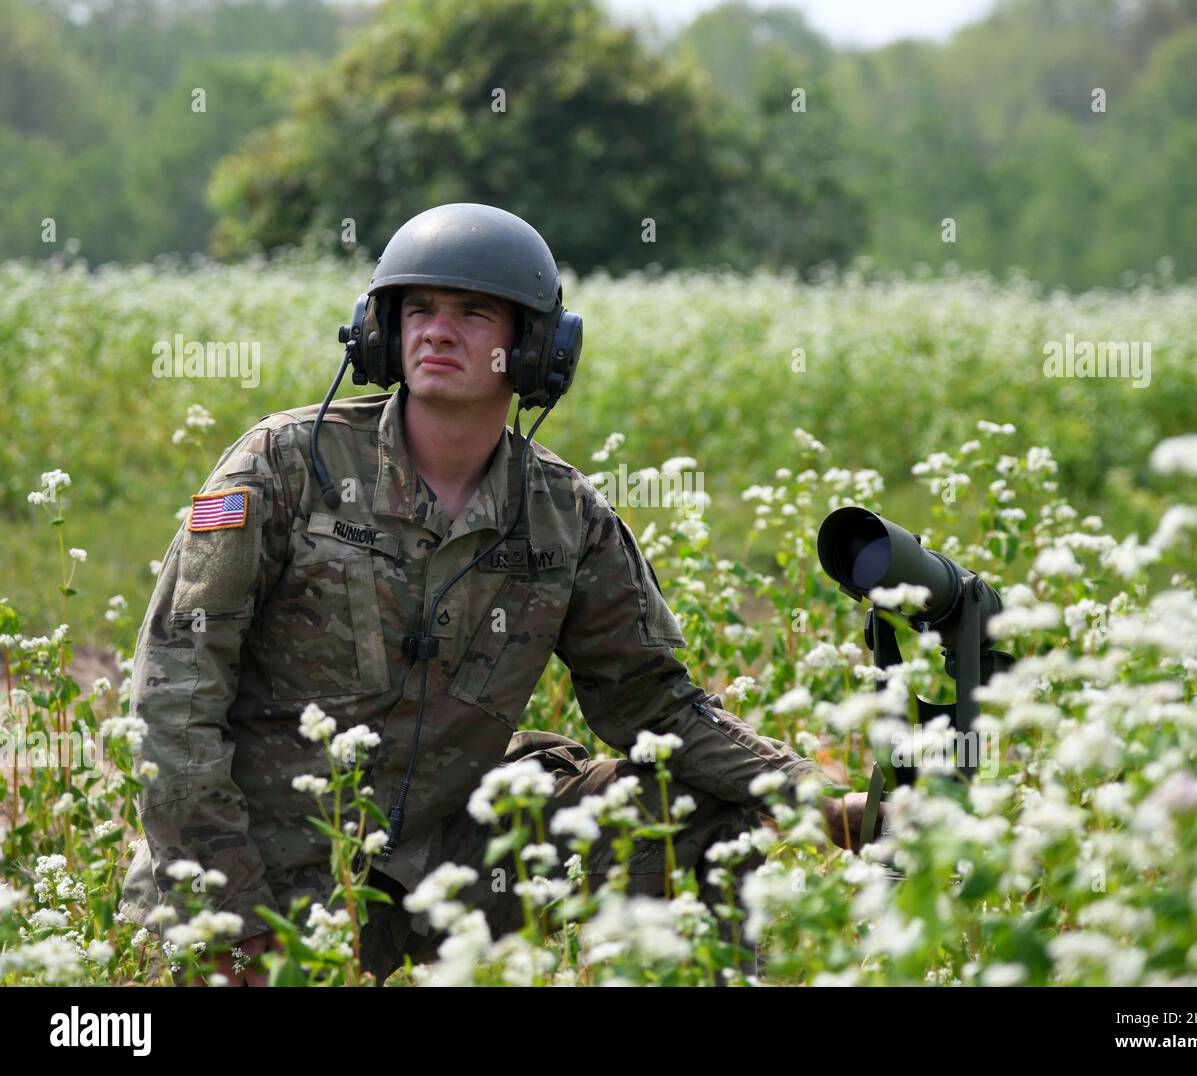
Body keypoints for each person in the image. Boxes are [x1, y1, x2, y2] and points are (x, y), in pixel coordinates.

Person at [118, 203, 874, 985]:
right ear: (380, 332)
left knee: (694, 805)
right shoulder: (283, 466)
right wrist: (230, 916)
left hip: (447, 865)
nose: (438, 332)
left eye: (473, 313)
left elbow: (657, 706)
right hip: (270, 877)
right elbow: (172, 704)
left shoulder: (564, 514)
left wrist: (819, 800)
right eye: (418, 310)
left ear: (537, 350)